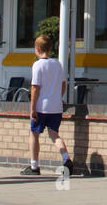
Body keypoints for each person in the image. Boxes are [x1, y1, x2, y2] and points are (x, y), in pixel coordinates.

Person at [24, 34, 74, 176]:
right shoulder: (57, 64)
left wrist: (32, 108)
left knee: (34, 134)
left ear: (38, 48)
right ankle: (66, 158)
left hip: (41, 107)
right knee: (54, 134)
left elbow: (35, 88)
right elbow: (63, 84)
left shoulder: (38, 65)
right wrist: (58, 97)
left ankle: (34, 166)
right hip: (55, 106)